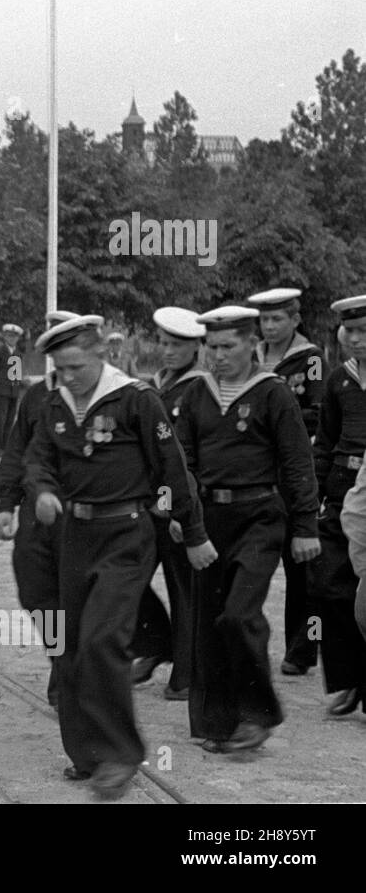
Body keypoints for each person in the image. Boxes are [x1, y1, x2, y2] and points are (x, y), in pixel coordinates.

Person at [26, 314, 212, 797]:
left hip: (127, 534)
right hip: (74, 535)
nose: (67, 376)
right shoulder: (55, 403)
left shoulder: (136, 399)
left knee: (104, 639)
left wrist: (191, 533)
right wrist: (44, 491)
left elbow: (172, 467)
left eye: (74, 366)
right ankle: (86, 756)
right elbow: (39, 458)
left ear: (101, 354)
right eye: (59, 368)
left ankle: (120, 754)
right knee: (67, 644)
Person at [175, 305, 318, 753]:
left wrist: (305, 527)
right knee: (210, 625)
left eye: (228, 346)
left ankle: (259, 714)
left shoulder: (273, 393)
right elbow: (183, 463)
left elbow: (297, 462)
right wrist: (184, 517)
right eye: (211, 347)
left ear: (251, 344)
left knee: (239, 615)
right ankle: (220, 724)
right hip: (211, 521)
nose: (218, 355)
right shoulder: (196, 395)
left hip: (261, 517)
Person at [0, 309, 78, 707]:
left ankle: (69, 673)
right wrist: (6, 504)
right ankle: (63, 658)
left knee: (76, 593)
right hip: (34, 510)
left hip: (83, 511)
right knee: (34, 591)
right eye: (52, 343)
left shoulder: (108, 396)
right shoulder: (35, 396)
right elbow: (16, 451)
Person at [129, 307, 209, 699]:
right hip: (145, 505)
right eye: (162, 343)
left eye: (177, 344)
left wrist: (184, 511)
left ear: (196, 346)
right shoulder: (151, 386)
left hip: (178, 507)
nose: (167, 351)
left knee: (184, 590)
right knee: (129, 581)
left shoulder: (199, 388)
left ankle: (186, 671)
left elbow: (192, 456)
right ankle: (155, 643)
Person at [248, 287, 325, 676]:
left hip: (295, 466)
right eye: (265, 319)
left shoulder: (310, 359)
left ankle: (302, 649)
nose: (270, 326)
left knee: (301, 566)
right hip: (258, 469)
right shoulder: (253, 357)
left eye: (278, 319)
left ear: (295, 320)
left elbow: (317, 411)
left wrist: (281, 423)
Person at [306, 295, 366, 716]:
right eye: (351, 332)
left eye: (365, 332)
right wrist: (317, 493)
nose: (356, 340)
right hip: (342, 486)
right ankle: (348, 680)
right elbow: (325, 441)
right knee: (329, 585)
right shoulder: (338, 380)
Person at [0, 323, 25, 456]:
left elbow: (18, 374)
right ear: (5, 337)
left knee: (9, 420)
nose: (12, 339)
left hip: (13, 392)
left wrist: (19, 388)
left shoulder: (18, 354)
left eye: (15, 337)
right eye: (9, 336)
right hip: (1, 391)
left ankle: (5, 447)